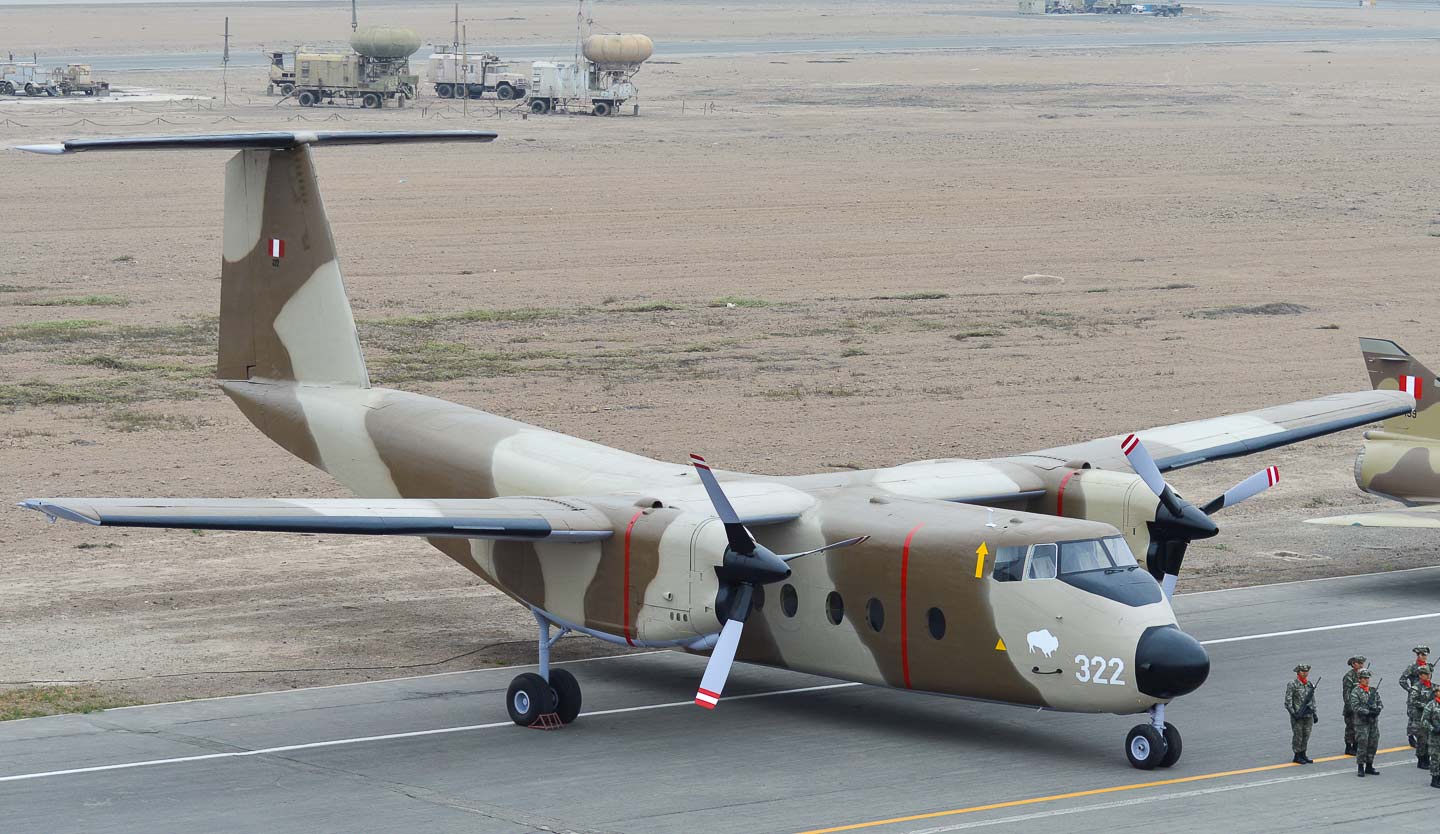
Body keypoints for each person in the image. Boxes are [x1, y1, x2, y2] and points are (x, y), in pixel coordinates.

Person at [1348, 668, 1383, 777]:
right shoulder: (1355, 692)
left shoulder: (1373, 691)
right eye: (1364, 678)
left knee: (1373, 743)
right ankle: (1360, 766)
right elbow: (1355, 706)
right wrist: (1367, 712)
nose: (1366, 680)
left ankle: (1369, 765)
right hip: (1362, 722)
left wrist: (1377, 710)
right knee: (1362, 743)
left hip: (1373, 722)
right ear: (1359, 679)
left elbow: (1380, 703)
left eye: (1368, 678)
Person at [1284, 664, 1318, 764]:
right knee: (1298, 735)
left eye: (1307, 671)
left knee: (1306, 734)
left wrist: (1315, 713)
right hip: (1298, 714)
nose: (1305, 673)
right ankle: (1297, 755)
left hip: (1308, 714)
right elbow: (1288, 700)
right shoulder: (1293, 684)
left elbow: (1312, 700)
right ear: (1298, 672)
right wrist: (1293, 713)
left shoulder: (1309, 684)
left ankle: (1303, 753)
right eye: (1303, 671)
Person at [1408, 665, 1435, 767]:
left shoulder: (1433, 687)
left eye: (1429, 674)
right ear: (1420, 675)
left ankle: (1427, 759)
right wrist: (1426, 706)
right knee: (1422, 740)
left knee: (1429, 740)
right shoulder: (1416, 688)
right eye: (1426, 674)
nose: (1428, 676)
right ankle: (1421, 760)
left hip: (1430, 718)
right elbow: (1413, 701)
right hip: (1420, 718)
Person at [1342, 655, 1366, 756]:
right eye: (1359, 663)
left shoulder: (1362, 676)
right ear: (1353, 664)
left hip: (1360, 707)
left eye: (1362, 663)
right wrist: (1350, 706)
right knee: (1350, 728)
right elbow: (1346, 694)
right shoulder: (1349, 676)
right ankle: (1348, 747)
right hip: (1351, 707)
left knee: (1359, 727)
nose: (1361, 665)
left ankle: (1356, 746)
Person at [1423, 687, 1440, 789]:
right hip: (1435, 737)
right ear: (1436, 693)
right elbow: (1424, 720)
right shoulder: (1431, 705)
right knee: (1435, 758)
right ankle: (1435, 778)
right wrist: (1433, 729)